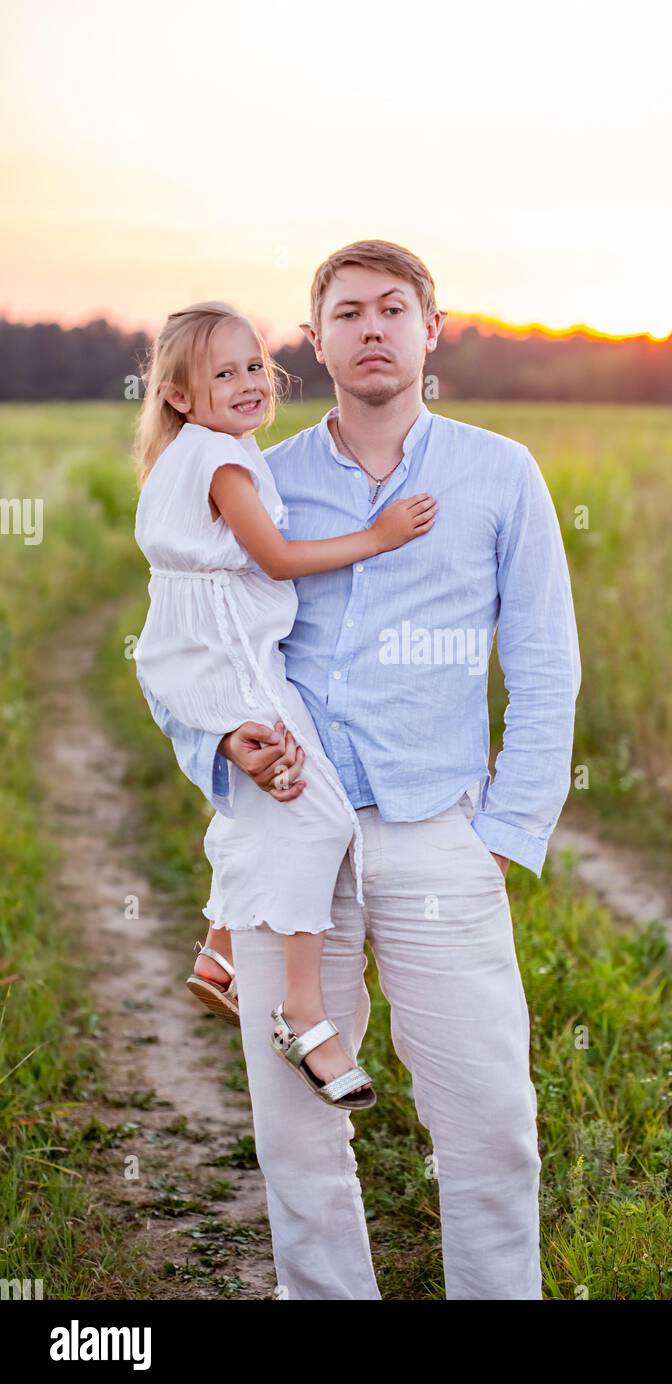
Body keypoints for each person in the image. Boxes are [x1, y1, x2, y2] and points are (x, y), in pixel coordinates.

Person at [137, 239, 581, 1300]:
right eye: (347, 311)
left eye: (393, 308)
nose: (371, 326)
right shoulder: (257, 476)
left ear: (433, 330)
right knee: (294, 1131)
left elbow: (545, 664)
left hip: (440, 837)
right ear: (316, 340)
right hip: (290, 835)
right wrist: (214, 744)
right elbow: (185, 642)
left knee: (487, 1122)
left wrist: (503, 837)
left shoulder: (496, 473)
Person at [131, 299, 437, 1106]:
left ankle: (222, 949)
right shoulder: (224, 463)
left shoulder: (184, 454)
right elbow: (274, 558)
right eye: (222, 374)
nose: (246, 384)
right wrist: (381, 535)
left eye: (254, 367)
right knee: (320, 815)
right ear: (180, 396)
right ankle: (302, 1012)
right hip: (236, 659)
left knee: (256, 808)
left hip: (202, 652)